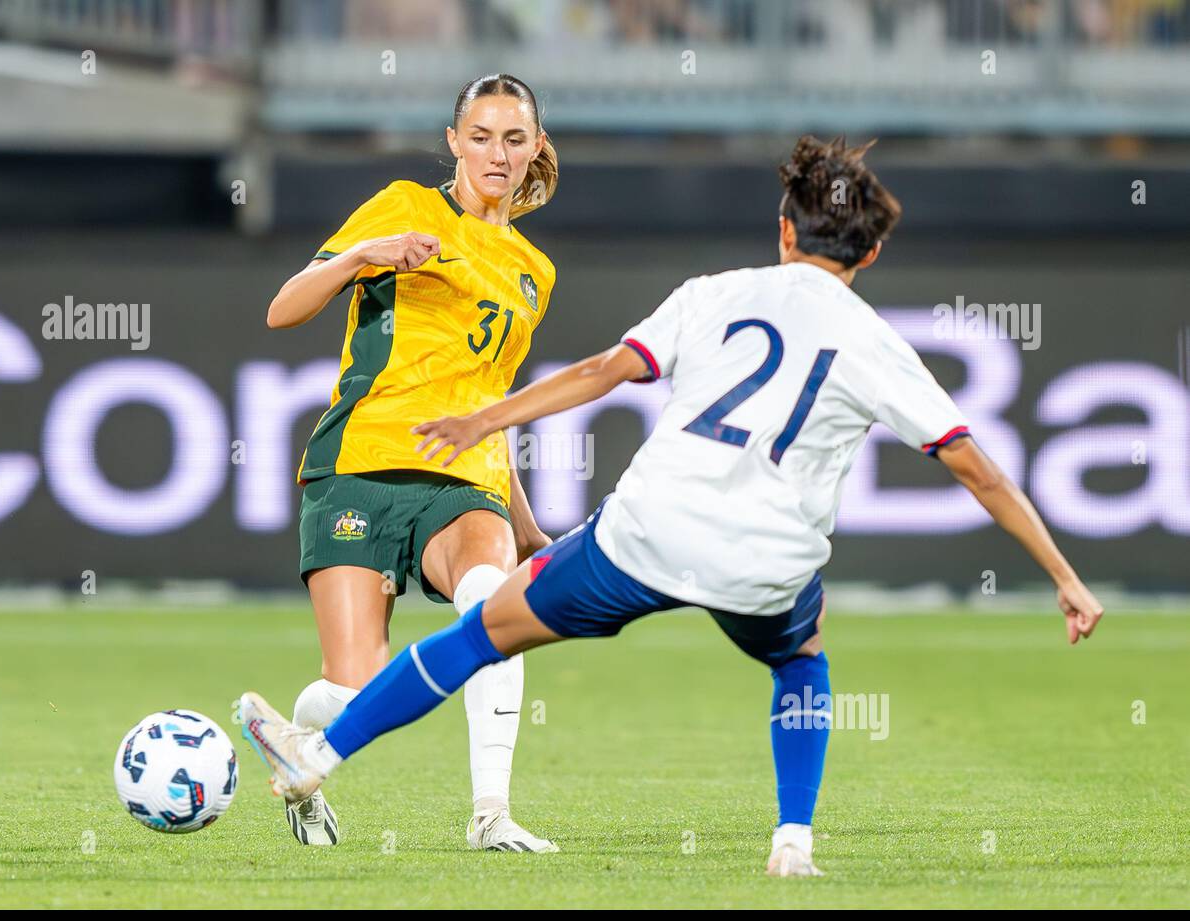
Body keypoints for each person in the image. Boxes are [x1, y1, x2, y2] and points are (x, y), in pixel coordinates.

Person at [241, 135, 1104, 874]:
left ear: (782, 230)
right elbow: (975, 467)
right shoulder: (876, 344)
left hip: (644, 535)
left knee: (480, 633)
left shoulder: (714, 293)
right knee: (801, 658)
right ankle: (793, 839)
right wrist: (1064, 577)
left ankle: (320, 755)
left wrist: (484, 418)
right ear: (869, 255)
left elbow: (600, 372)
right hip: (767, 559)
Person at [262, 73, 560, 852]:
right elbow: (284, 307)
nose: (499, 154)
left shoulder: (534, 272)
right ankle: (299, 741)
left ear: (536, 150)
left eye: (515, 138)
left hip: (465, 480)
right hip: (360, 461)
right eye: (484, 136)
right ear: (455, 141)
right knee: (359, 690)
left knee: (495, 608)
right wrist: (367, 253)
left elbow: (490, 403)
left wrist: (527, 526)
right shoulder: (405, 205)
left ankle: (491, 815)